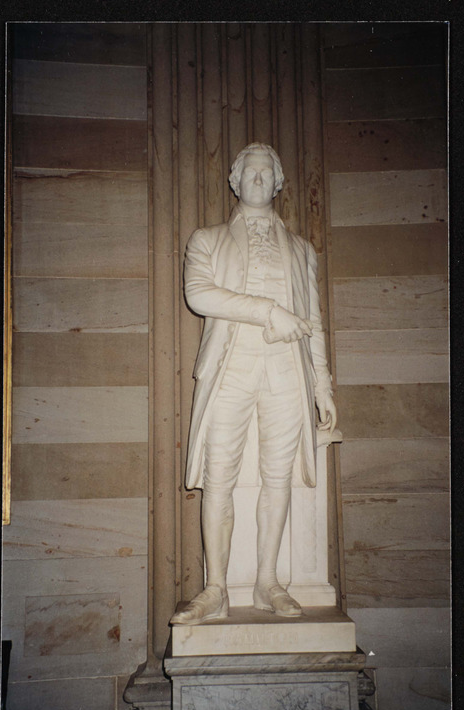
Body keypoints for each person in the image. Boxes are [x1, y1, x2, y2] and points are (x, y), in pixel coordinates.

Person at [171, 143, 336, 626]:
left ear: (279, 183)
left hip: (287, 369)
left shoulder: (302, 251)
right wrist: (267, 311)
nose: (260, 179)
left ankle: (267, 582)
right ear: (235, 181)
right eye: (251, 172)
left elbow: (315, 323)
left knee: (277, 478)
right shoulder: (207, 239)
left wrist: (322, 386)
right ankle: (216, 588)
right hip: (232, 365)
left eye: (268, 172)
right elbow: (199, 294)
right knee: (219, 477)